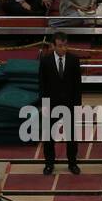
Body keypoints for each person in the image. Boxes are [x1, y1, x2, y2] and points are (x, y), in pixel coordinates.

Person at [38, 33, 82, 175]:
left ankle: (72, 163)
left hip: (70, 104)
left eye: (65, 45)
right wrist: (44, 105)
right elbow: (42, 84)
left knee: (71, 137)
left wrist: (77, 105)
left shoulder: (74, 60)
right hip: (51, 104)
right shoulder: (45, 61)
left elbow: (77, 85)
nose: (64, 48)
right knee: (49, 137)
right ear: (53, 46)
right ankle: (49, 164)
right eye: (60, 46)